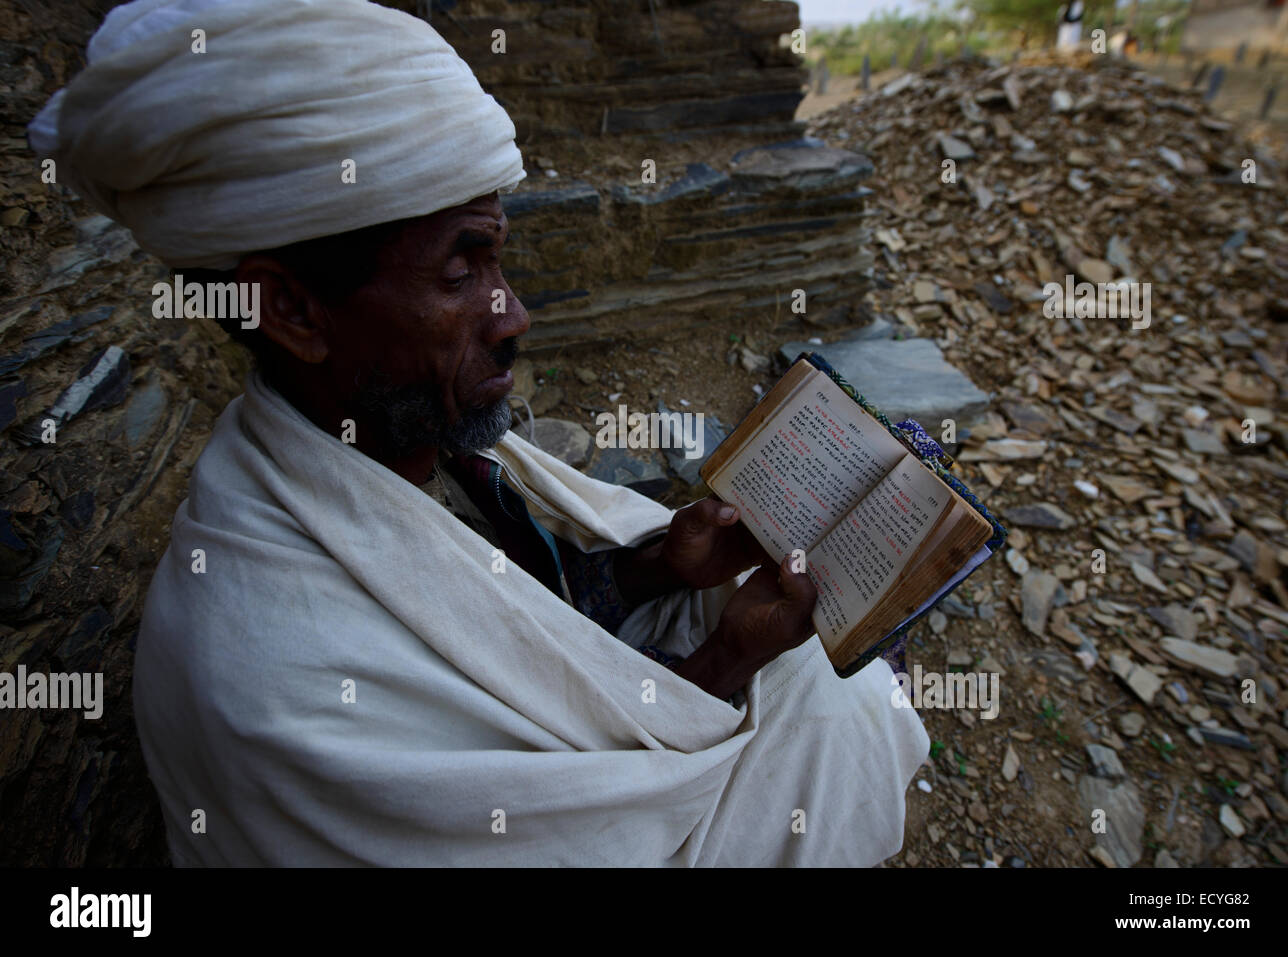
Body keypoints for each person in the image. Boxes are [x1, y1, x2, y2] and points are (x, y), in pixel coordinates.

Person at [30, 0, 928, 866]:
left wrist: (658, 566)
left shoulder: (417, 446)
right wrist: (729, 656)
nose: (515, 315)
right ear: (294, 310)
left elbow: (520, 618)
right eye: (462, 268)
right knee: (820, 698)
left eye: (499, 258)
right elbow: (584, 835)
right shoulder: (274, 680)